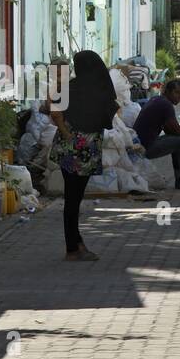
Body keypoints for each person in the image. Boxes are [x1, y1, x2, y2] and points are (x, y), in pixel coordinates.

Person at [48, 50, 118, 261]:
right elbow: (112, 112)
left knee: (72, 199)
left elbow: (54, 111)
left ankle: (76, 243)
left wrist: (66, 132)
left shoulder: (70, 89)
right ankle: (73, 247)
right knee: (73, 200)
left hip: (67, 148)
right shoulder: (99, 90)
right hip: (84, 151)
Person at [133, 79, 180, 189]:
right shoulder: (166, 105)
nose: (179, 97)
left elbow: (172, 131)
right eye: (176, 93)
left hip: (142, 144)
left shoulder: (157, 99)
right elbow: (177, 130)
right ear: (167, 91)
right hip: (146, 147)